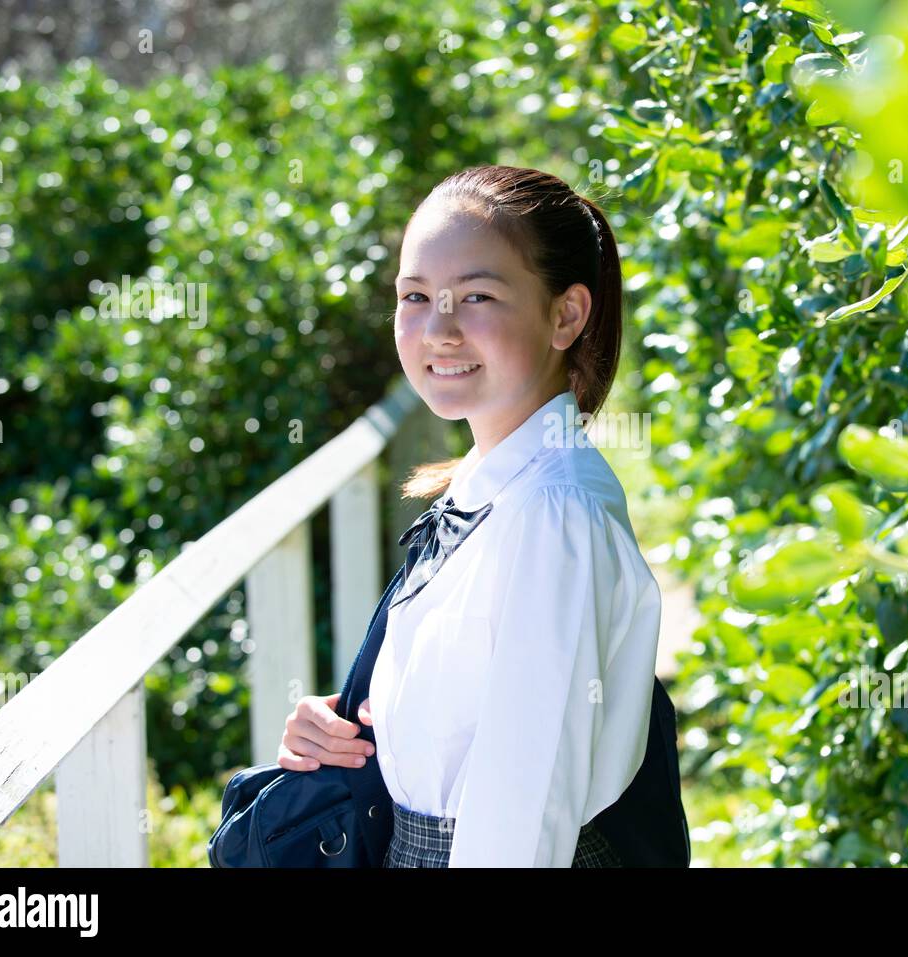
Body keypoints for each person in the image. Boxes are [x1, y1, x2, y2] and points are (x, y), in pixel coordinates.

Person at [275, 165, 683, 867]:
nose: (438, 327)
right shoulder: (487, 490)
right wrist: (346, 729)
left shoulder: (553, 512)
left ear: (566, 315)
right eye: (416, 295)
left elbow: (524, 813)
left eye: (478, 295)